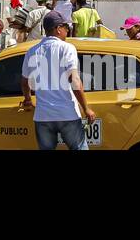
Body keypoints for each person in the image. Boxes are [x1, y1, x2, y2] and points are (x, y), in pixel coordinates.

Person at [21, 12, 96, 150]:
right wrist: (86, 108)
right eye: (66, 27)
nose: (68, 31)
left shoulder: (32, 51)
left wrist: (27, 99)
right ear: (58, 28)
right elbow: (74, 80)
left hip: (43, 116)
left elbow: (25, 81)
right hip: (67, 114)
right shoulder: (67, 48)